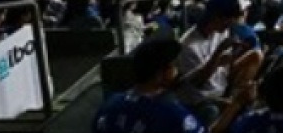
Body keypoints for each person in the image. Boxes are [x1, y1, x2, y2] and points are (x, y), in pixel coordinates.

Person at [95, 39, 249, 133]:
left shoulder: (109, 104)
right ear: (159, 75)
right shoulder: (170, 113)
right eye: (174, 66)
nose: (177, 70)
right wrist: (236, 104)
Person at [175, 0, 263, 126]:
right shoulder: (188, 46)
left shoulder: (222, 31)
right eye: (228, 20)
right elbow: (199, 83)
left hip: (222, 84)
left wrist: (234, 55)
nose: (230, 24)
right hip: (202, 98)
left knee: (256, 55)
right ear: (215, 17)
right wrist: (218, 53)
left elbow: (224, 65)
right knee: (217, 110)